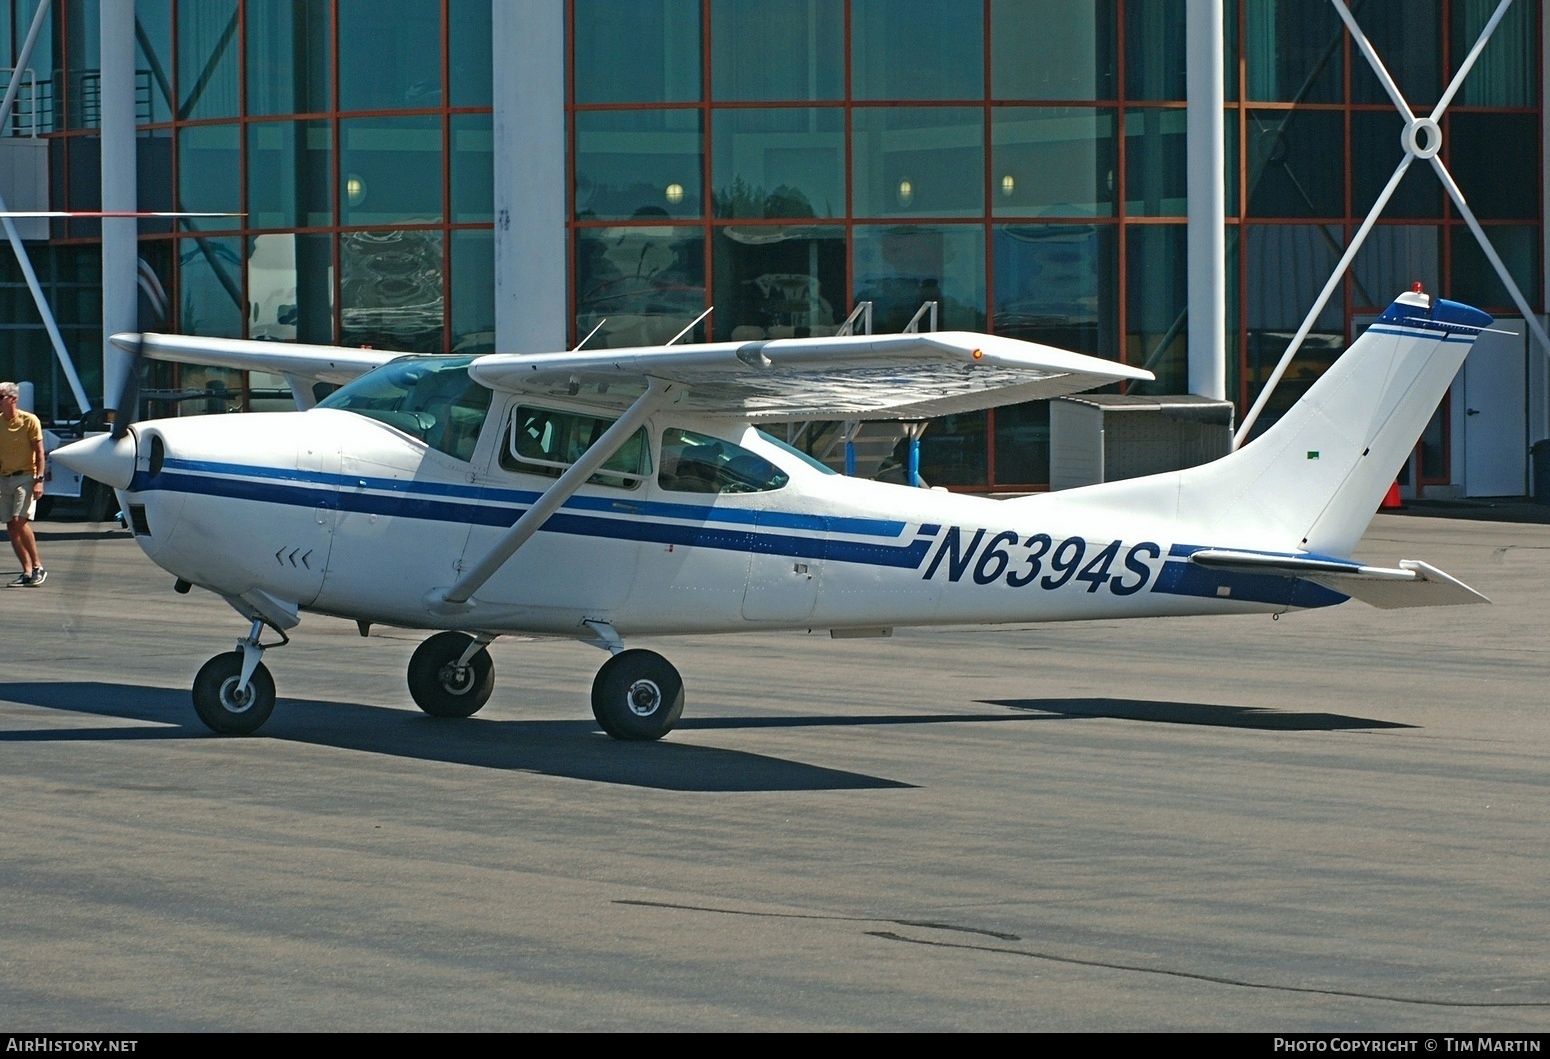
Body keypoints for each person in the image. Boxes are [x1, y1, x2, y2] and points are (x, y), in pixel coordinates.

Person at [0, 381, 46, 587]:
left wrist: (39, 480)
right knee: (11, 526)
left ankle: (38, 567)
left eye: (0, 397)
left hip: (26, 476)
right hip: (5, 478)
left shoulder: (29, 421)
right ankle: (27, 571)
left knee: (19, 520)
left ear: (13, 399)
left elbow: (39, 452)